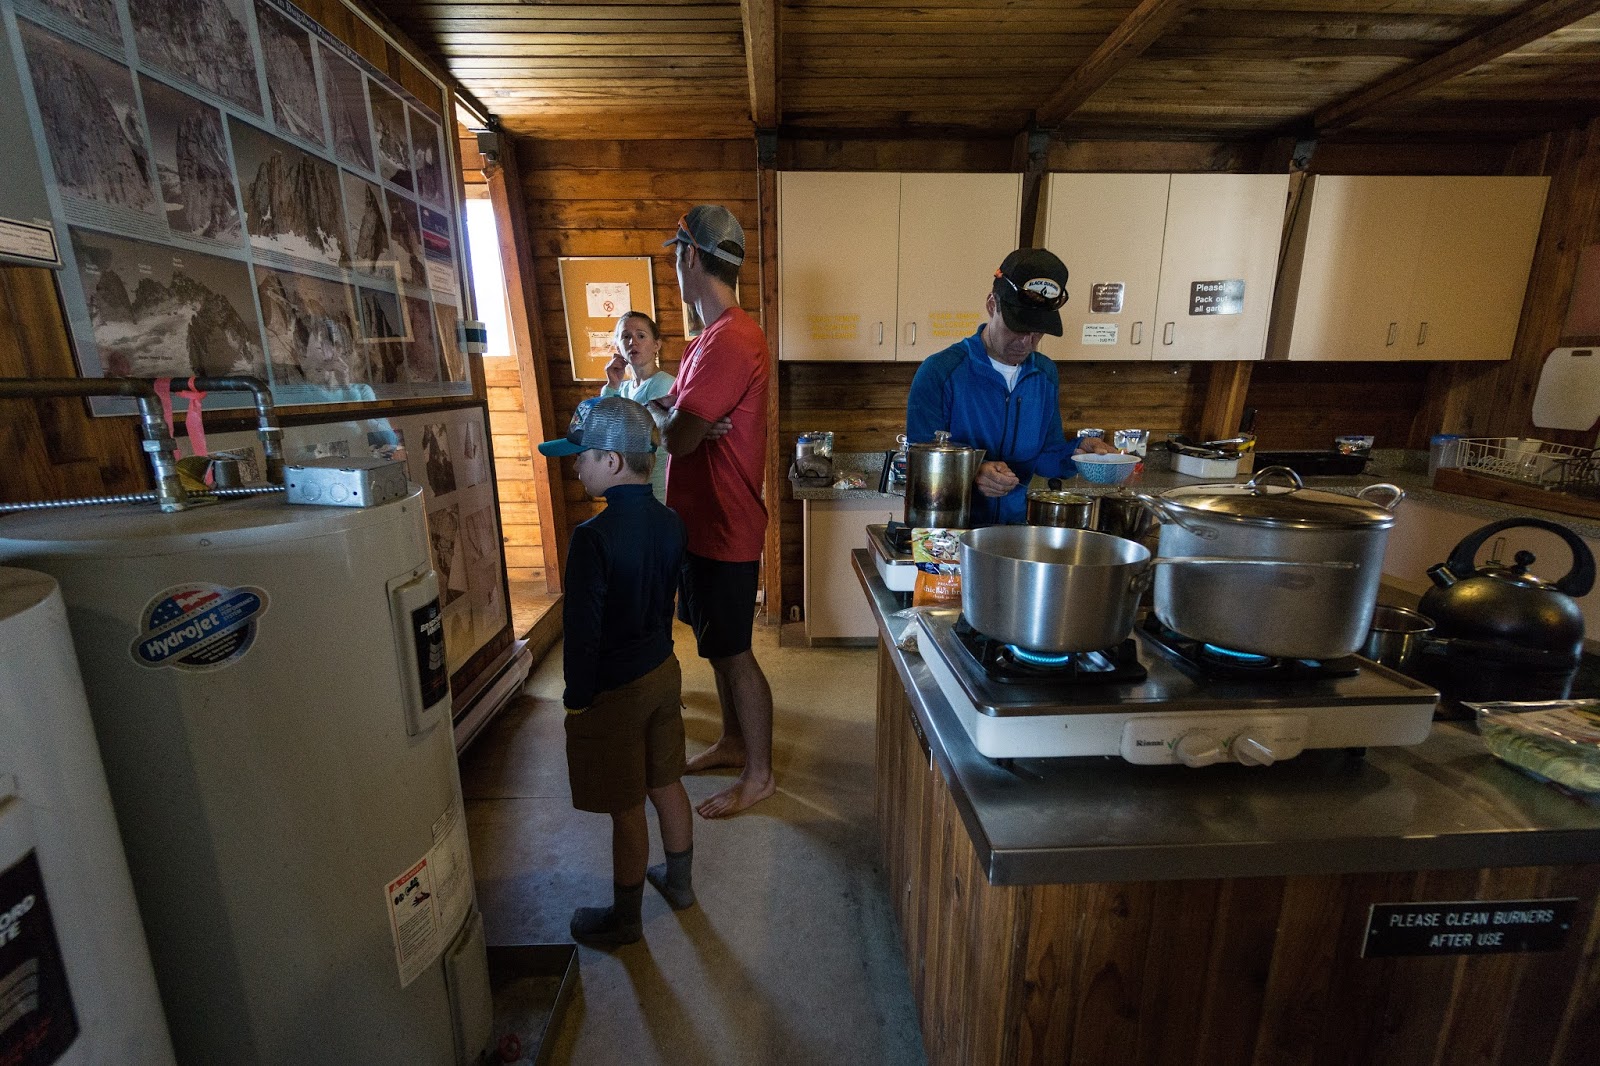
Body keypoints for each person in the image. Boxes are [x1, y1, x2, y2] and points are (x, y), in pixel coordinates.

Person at [537, 396, 695, 946]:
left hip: (615, 690)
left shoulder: (592, 538)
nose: (575, 466)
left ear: (611, 460)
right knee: (667, 780)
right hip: (662, 670)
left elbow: (583, 633)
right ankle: (680, 885)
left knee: (627, 807)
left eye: (581, 455)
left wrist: (577, 700)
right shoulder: (671, 520)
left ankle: (625, 920)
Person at [644, 204, 775, 819]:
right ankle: (731, 740)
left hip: (727, 526)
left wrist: (673, 421)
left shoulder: (731, 339)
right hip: (701, 525)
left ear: (688, 255)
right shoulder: (706, 340)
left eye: (675, 255)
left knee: (736, 652)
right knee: (717, 646)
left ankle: (760, 773)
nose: (675, 265)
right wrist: (676, 416)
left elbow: (679, 437)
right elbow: (680, 417)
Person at [905, 248, 1115, 526]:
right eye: (1018, 327)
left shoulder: (1044, 374)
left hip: (1012, 533)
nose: (1027, 342)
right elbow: (920, 465)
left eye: (1037, 332)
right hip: (948, 533)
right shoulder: (941, 371)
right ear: (993, 305)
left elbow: (1045, 457)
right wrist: (974, 472)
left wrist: (1077, 453)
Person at [600, 311, 674, 502]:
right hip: (628, 483)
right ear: (618, 345)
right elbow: (602, 430)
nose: (633, 342)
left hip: (658, 484)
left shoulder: (665, 384)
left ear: (656, 345)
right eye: (626, 336)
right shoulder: (621, 388)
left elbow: (647, 438)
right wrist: (612, 386)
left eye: (641, 335)